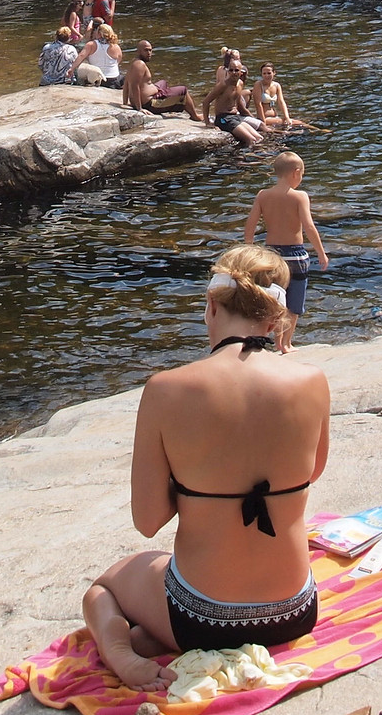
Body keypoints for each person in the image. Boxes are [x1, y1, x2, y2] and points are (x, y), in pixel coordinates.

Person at [80, 246, 328, 691]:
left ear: (212, 306)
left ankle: (121, 652)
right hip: (295, 611)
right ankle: (154, 637)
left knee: (105, 588)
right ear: (276, 319)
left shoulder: (166, 390)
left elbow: (147, 520)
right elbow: (313, 472)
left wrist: (197, 481)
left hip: (202, 617)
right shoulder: (313, 381)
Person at [242, 153, 328, 351]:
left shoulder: (263, 195)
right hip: (296, 255)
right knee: (294, 304)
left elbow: (251, 224)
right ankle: (286, 343)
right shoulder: (300, 196)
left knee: (275, 299)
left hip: (272, 256)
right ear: (296, 173)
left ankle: (277, 340)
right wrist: (321, 253)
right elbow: (309, 226)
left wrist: (249, 247)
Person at [124, 41, 202, 121]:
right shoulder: (139, 64)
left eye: (150, 50)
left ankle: (171, 103)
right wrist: (139, 108)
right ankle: (194, 116)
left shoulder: (134, 62)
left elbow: (126, 82)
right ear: (138, 51)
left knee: (163, 82)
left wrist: (125, 103)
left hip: (144, 100)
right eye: (146, 50)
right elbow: (134, 85)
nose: (149, 53)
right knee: (183, 90)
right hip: (150, 104)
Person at [213, 68, 265, 147]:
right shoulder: (223, 85)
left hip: (235, 117)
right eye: (231, 70)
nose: (234, 73)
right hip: (223, 118)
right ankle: (247, 157)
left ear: (241, 73)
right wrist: (207, 123)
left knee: (259, 138)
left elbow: (241, 107)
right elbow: (206, 102)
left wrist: (252, 118)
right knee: (251, 140)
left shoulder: (239, 84)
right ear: (228, 72)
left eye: (236, 70)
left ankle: (256, 155)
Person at [251, 61, 295, 129]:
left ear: (274, 73)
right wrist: (263, 123)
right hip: (265, 118)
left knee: (292, 122)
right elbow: (258, 104)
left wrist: (287, 117)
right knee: (298, 123)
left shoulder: (277, 85)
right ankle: (314, 129)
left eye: (269, 73)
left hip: (275, 116)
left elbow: (281, 102)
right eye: (264, 73)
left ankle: (314, 130)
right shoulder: (258, 84)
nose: (266, 76)